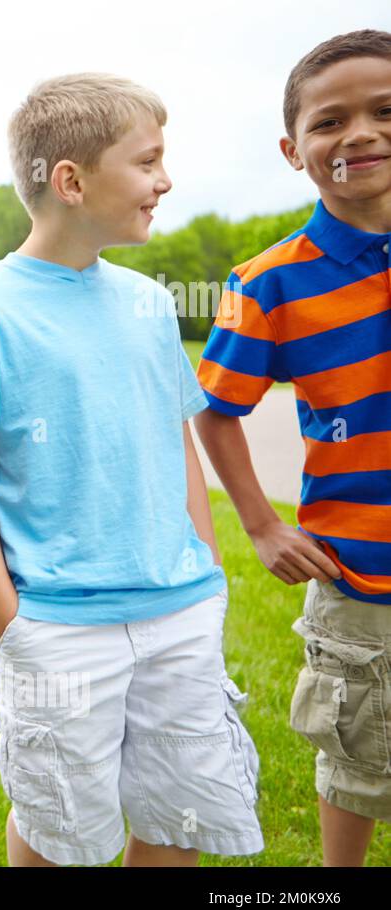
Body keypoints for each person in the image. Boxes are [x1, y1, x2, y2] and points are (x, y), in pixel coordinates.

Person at [0, 75, 263, 866]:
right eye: (147, 161)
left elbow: (175, 443)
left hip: (180, 611)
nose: (166, 180)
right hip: (56, 626)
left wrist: (209, 569)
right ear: (72, 181)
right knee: (61, 826)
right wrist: (11, 619)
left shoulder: (151, 302)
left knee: (178, 812)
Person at [195, 29, 391, 866]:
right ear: (292, 149)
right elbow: (214, 410)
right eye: (330, 121)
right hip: (359, 574)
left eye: (384, 112)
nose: (359, 135)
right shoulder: (267, 282)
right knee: (355, 751)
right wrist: (262, 527)